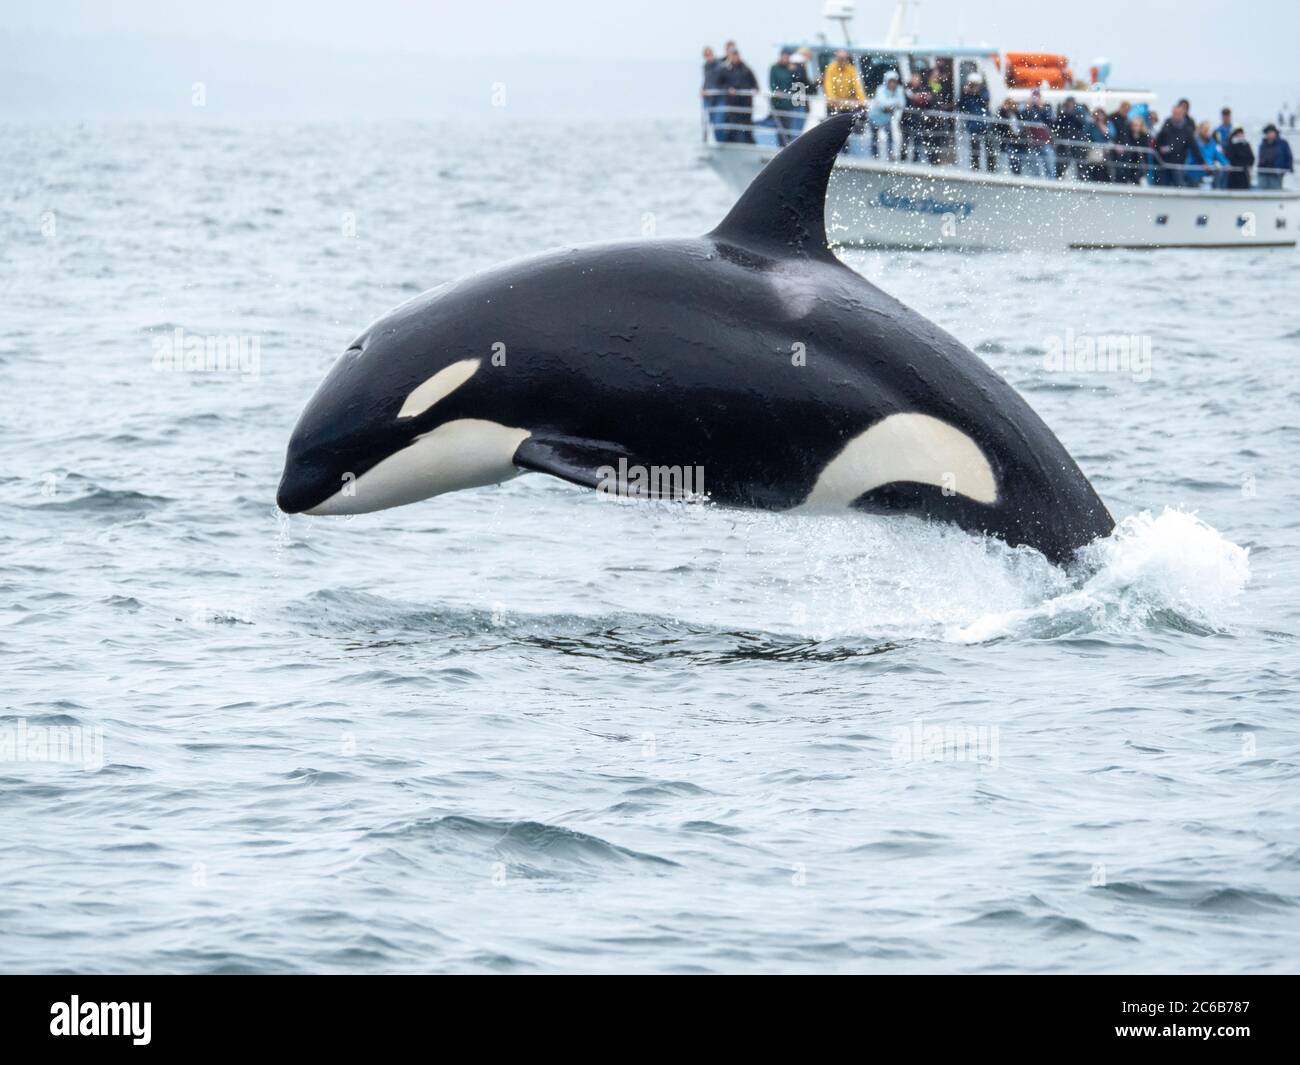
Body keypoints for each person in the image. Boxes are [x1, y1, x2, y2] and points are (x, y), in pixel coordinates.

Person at [1154, 100, 1203, 186]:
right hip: (1164, 163)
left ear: (1182, 114)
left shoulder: (1187, 129)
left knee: (1179, 185)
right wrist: (1160, 149)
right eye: (1174, 114)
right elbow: (1158, 141)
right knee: (1162, 185)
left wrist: (1202, 163)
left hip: (1178, 164)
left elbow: (1194, 148)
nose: (1175, 116)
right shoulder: (1167, 124)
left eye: (1178, 114)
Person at [718, 45, 759, 144]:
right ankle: (731, 143)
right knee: (733, 125)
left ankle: (750, 143)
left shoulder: (746, 69)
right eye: (733, 55)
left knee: (747, 125)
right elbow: (720, 84)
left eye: (737, 54)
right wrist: (728, 89)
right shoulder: (725, 69)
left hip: (746, 103)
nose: (735, 57)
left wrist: (754, 90)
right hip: (733, 103)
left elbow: (755, 84)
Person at [957, 73, 995, 171]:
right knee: (975, 148)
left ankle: (991, 168)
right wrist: (965, 93)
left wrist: (975, 92)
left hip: (985, 123)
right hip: (973, 125)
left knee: (989, 147)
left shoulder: (984, 91)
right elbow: (961, 105)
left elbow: (986, 100)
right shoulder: (966, 95)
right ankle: (975, 167)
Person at [867, 70, 905, 159]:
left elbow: (902, 104)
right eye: (890, 81)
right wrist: (895, 103)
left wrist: (889, 105)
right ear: (886, 81)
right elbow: (882, 104)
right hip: (875, 116)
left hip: (886, 118)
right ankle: (874, 156)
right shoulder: (880, 89)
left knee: (890, 137)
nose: (892, 84)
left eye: (894, 81)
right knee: (874, 138)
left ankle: (890, 155)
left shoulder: (899, 90)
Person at [1020, 89, 1055, 178]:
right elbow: (1022, 118)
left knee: (1049, 166)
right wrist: (1028, 107)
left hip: (1044, 142)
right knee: (1034, 168)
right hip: (1032, 142)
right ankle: (1036, 182)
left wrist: (1041, 108)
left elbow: (1050, 121)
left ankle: (1051, 182)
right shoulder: (1027, 110)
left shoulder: (1045, 108)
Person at [900, 71, 933, 163]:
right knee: (905, 141)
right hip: (906, 118)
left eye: (917, 78)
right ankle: (903, 159)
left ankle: (915, 160)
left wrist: (919, 98)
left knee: (917, 141)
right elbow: (906, 98)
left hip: (917, 120)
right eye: (913, 78)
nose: (915, 80)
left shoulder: (923, 89)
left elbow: (928, 100)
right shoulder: (906, 88)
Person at [768, 49, 800, 146]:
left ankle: (787, 144)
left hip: (788, 103)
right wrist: (776, 91)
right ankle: (781, 145)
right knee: (779, 126)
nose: (785, 59)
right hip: (778, 102)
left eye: (787, 57)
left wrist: (794, 71)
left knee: (788, 126)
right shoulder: (774, 68)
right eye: (784, 57)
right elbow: (772, 83)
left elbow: (798, 82)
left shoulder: (791, 69)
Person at [1051, 96, 1088, 179]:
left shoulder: (1079, 113)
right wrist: (1062, 113)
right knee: (1061, 165)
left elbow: (1081, 124)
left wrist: (1071, 114)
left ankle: (1082, 179)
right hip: (1064, 144)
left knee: (1080, 166)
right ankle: (1059, 178)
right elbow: (1056, 125)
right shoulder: (1062, 114)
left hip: (1076, 144)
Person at [823, 48, 865, 113]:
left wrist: (861, 100)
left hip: (847, 105)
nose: (842, 61)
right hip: (833, 105)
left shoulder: (851, 69)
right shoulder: (830, 68)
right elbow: (828, 85)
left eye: (844, 59)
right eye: (840, 59)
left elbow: (857, 86)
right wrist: (832, 98)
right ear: (836, 59)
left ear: (847, 59)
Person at [1115, 115, 1154, 184]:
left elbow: (1144, 149)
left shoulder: (1144, 136)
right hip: (1128, 159)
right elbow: (1125, 143)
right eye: (1134, 125)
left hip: (1139, 161)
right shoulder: (1127, 133)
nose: (1135, 127)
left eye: (1137, 125)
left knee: (1137, 175)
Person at [1192, 120, 1229, 187]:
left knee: (1219, 172)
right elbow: (1197, 156)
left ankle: (1217, 191)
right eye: (1205, 130)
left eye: (1208, 130)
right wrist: (1206, 164)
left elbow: (1218, 155)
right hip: (1196, 170)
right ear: (1200, 130)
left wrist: (1226, 163)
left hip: (1209, 170)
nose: (1207, 132)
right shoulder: (1194, 142)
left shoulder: (1212, 142)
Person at [995, 98, 1028, 174]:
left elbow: (1023, 125)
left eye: (1012, 104)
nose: (1010, 107)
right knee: (1012, 158)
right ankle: (1013, 173)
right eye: (1009, 104)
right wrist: (1003, 110)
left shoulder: (1017, 114)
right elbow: (1000, 126)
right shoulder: (1002, 114)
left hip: (1019, 141)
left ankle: (1017, 174)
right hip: (1009, 141)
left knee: (1020, 159)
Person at [1080, 108, 1113, 182]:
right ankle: (1093, 177)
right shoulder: (1091, 125)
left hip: (1106, 148)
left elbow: (1110, 135)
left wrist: (1100, 124)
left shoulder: (1108, 124)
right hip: (1094, 148)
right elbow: (1085, 135)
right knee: (1095, 155)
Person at [701, 47, 727, 141]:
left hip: (719, 98)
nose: (709, 57)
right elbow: (707, 80)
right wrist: (703, 89)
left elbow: (722, 81)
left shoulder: (719, 65)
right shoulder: (705, 66)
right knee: (712, 122)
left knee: (718, 123)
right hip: (709, 99)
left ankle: (722, 142)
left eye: (710, 54)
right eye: (706, 55)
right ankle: (718, 142)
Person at [1258, 124, 1294, 189]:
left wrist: (1289, 168)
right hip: (1263, 172)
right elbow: (1260, 157)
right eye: (1268, 133)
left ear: (1275, 133)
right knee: (1262, 189)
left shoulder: (1282, 143)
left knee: (1275, 189)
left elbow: (1288, 156)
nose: (1270, 134)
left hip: (1277, 172)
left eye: (1271, 132)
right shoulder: (1263, 144)